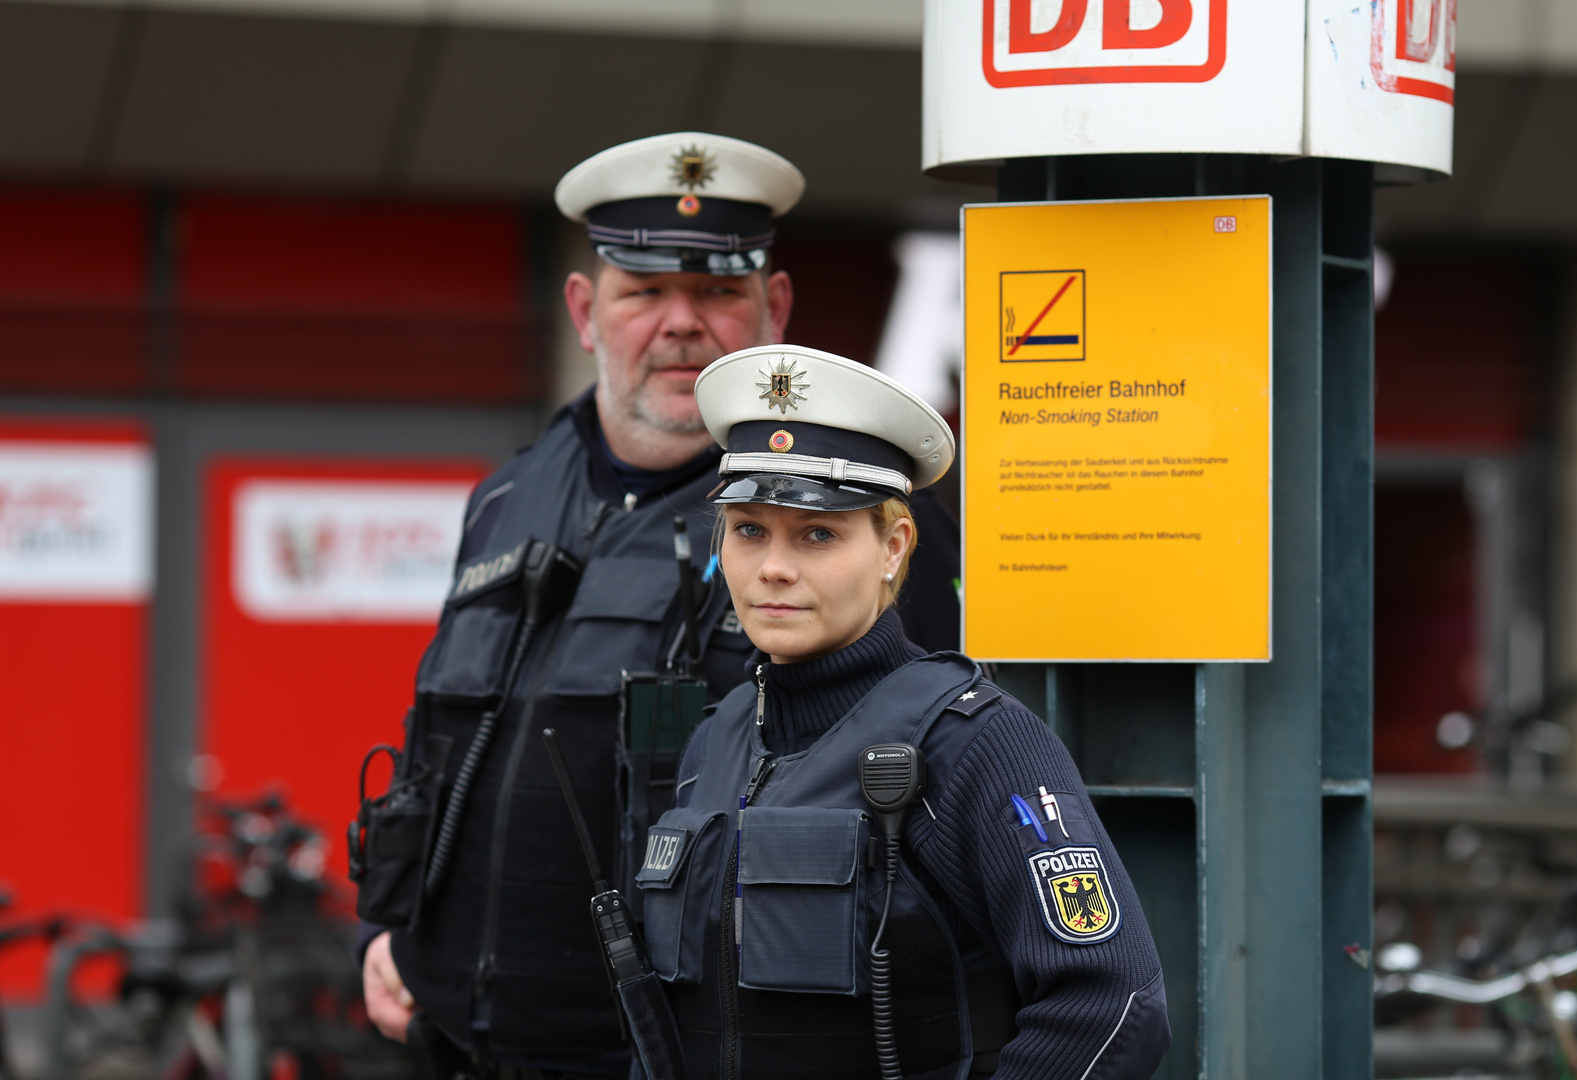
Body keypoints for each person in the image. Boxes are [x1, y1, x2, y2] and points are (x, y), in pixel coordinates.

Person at [354, 133, 963, 1078]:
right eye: (645, 292)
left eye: (719, 292)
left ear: (776, 307)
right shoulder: (508, 498)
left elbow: (927, 797)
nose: (683, 324)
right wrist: (390, 932)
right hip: (448, 1042)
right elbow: (445, 739)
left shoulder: (857, 516)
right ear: (586, 311)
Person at [633, 344, 1170, 1080]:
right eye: (750, 529)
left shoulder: (976, 741)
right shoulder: (715, 740)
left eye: (817, 534)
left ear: (893, 546)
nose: (773, 568)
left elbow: (1113, 1004)